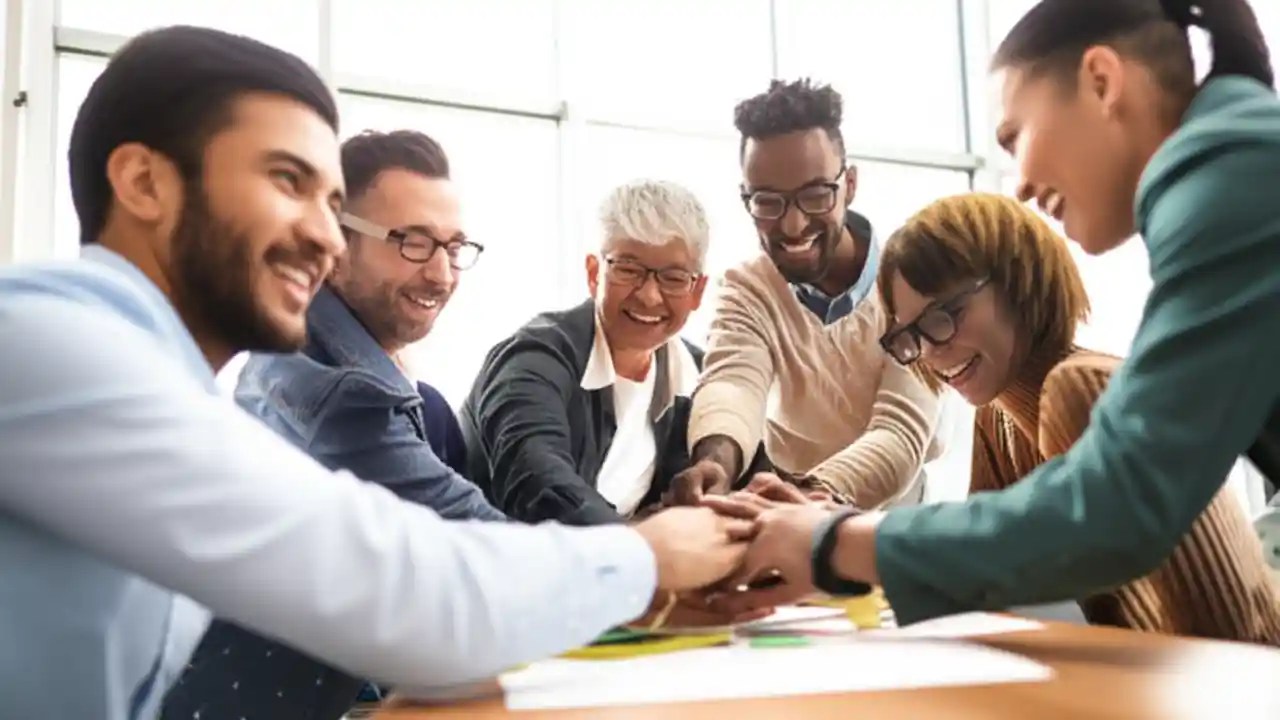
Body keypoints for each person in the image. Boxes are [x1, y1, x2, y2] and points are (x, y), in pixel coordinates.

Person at [0, 26, 747, 720]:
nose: (325, 237)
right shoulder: (49, 346)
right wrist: (649, 558)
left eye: (332, 204)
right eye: (288, 182)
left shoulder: (169, 380)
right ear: (143, 182)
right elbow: (398, 582)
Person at [703, 0, 1280, 629]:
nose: (1021, 183)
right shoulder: (1237, 171)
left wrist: (829, 540)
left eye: (1015, 137)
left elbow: (1118, 508)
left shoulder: (1229, 185)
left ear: (1101, 82)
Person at [162, 130, 503, 720]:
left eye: (454, 247)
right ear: (335, 243)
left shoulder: (296, 343)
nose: (443, 275)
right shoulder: (344, 393)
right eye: (413, 243)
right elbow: (494, 553)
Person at [880, 192, 1278, 641]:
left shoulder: (1085, 389)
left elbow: (1214, 625)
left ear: (1016, 280)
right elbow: (979, 578)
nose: (930, 350)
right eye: (911, 334)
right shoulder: (997, 416)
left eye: (944, 315)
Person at [672, 78, 942, 510]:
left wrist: (807, 497)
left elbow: (900, 431)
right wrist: (715, 464)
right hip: (787, 497)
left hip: (895, 512)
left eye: (816, 195)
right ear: (746, 198)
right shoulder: (748, 288)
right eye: (768, 202)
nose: (794, 226)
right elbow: (733, 384)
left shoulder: (914, 280)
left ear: (849, 185)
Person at [461, 179, 726, 524]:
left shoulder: (698, 373)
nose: (649, 296)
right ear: (593, 273)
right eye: (628, 270)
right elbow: (540, 484)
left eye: (673, 278)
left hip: (623, 569)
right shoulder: (532, 362)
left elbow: (748, 470)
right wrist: (651, 550)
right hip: (506, 566)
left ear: (697, 291)